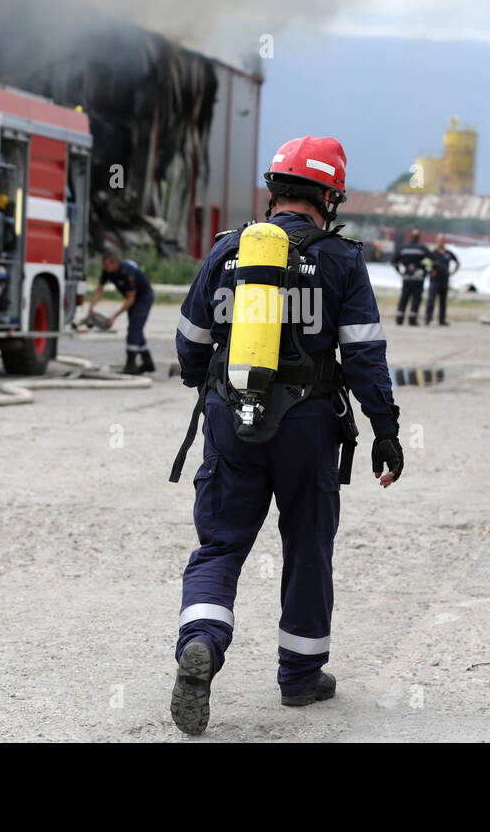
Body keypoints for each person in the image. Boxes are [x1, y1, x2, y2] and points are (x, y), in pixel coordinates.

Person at [168, 135, 403, 735]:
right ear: (330, 197)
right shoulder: (342, 259)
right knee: (307, 546)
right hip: (308, 423)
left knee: (220, 545)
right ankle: (299, 678)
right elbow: (364, 355)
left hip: (231, 415)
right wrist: (385, 430)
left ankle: (201, 641)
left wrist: (212, 388)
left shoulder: (227, 251)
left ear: (273, 191)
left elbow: (191, 341)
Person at [87, 251, 154, 374]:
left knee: (134, 329)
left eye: (106, 265)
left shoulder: (127, 272)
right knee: (136, 329)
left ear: (114, 263)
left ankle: (130, 365)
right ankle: (148, 362)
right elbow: (100, 289)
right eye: (103, 265)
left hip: (143, 298)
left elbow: (131, 299)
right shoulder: (107, 271)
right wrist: (91, 307)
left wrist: (114, 317)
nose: (104, 268)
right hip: (132, 298)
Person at [392, 228, 432, 325]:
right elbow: (433, 260)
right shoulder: (422, 248)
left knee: (404, 297)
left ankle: (399, 319)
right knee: (416, 298)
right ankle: (412, 320)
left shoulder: (403, 247)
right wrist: (426, 271)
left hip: (407, 277)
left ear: (411, 236)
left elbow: (394, 261)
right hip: (418, 277)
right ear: (419, 237)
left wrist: (399, 272)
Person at [423, 234, 460, 326]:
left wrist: (452, 272)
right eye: (439, 240)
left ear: (445, 241)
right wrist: (430, 271)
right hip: (434, 280)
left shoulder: (448, 253)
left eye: (443, 240)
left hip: (444, 280)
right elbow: (425, 263)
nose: (441, 242)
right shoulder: (433, 252)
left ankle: (442, 320)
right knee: (431, 300)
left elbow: (457, 262)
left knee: (443, 301)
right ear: (436, 241)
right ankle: (428, 319)